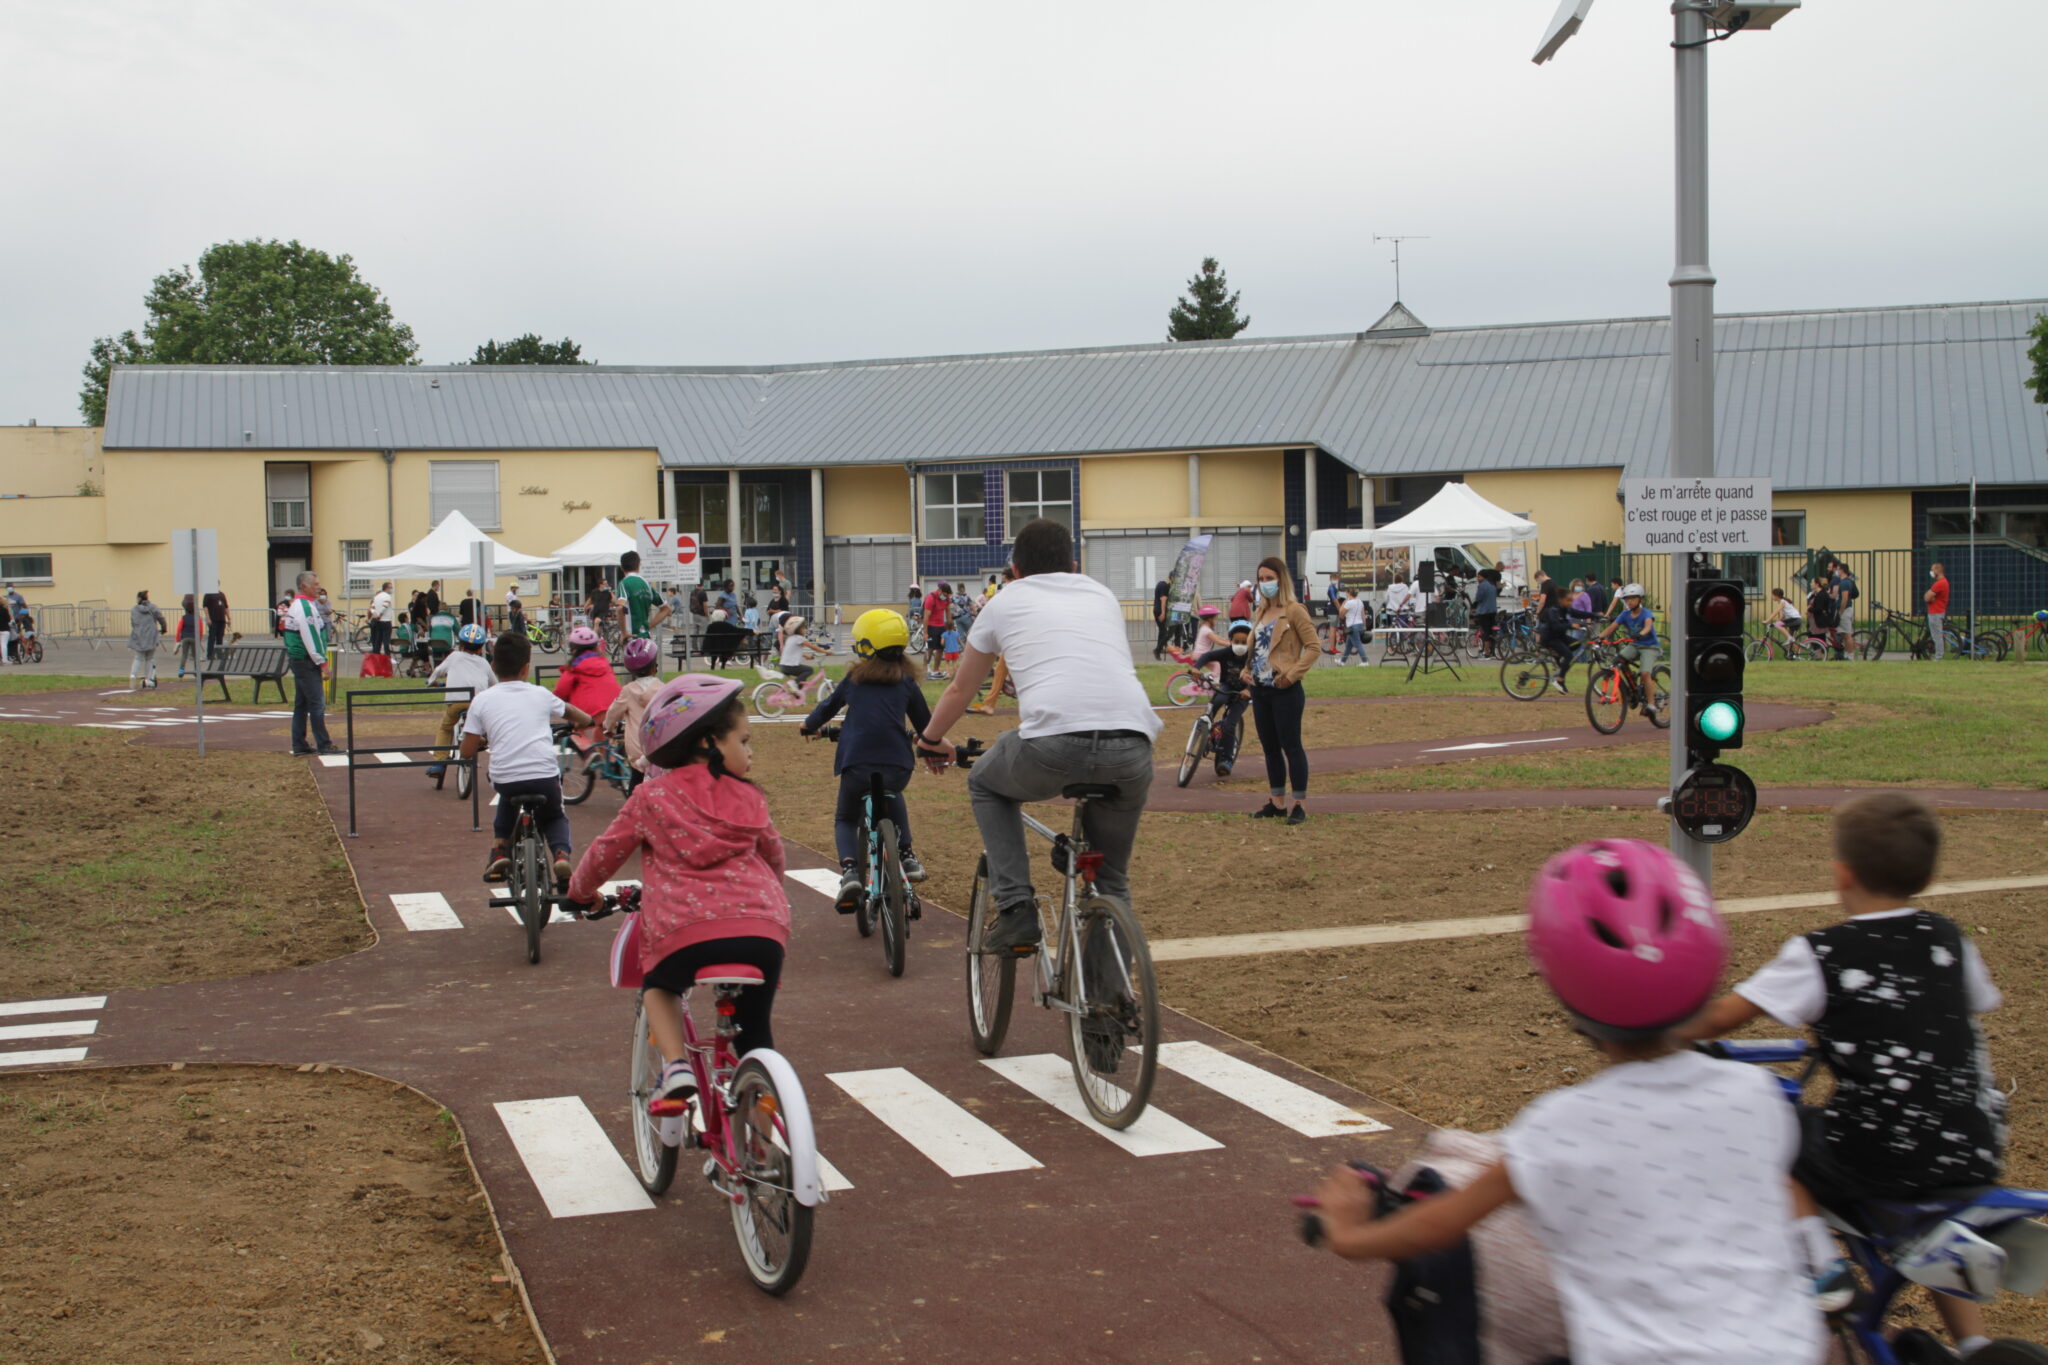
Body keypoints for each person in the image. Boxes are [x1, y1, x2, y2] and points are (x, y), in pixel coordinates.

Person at [1309, 839, 1826, 1365]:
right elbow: (1782, 1191)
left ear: (1563, 989)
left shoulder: (1562, 1126)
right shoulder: (1756, 1096)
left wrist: (1348, 1233)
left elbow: (1439, 1226)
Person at [1682, 793, 2005, 1356]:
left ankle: (1826, 1269)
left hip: (1874, 1151)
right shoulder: (1950, 939)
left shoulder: (1823, 953)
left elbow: (1718, 1020)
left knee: (1772, 1145)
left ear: (1842, 871)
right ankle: (1976, 1346)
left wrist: (1660, 1028)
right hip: (1971, 1146)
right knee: (1935, 1228)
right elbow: (1974, 1003)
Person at [916, 517, 1159, 952]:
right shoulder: (1100, 594)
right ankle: (1108, 1012)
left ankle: (1015, 907)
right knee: (1112, 883)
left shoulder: (1005, 601)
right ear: (1073, 563)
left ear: (1017, 569)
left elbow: (960, 688)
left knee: (986, 784)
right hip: (1133, 745)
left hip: (1053, 742)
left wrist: (931, 738)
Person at [564, 675, 786, 1116]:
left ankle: (677, 1068)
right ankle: (765, 1146)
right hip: (763, 932)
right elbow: (774, 859)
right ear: (709, 742)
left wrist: (580, 892)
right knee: (754, 1034)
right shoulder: (749, 797)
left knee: (659, 987)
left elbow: (605, 853)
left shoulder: (651, 796)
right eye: (744, 741)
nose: (750, 751)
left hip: (682, 933)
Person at [799, 608, 932, 906]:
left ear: (867, 646)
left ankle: (850, 872)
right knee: (894, 794)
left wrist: (808, 725)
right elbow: (926, 724)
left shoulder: (854, 679)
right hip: (897, 764)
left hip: (857, 763)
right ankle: (907, 856)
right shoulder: (907, 682)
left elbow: (827, 708)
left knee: (846, 817)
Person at [461, 631, 591, 889]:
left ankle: (499, 850)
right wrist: (586, 721)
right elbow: (579, 716)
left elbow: (466, 751)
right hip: (543, 775)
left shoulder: (482, 700)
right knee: (554, 816)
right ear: (526, 668)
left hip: (506, 778)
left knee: (508, 797)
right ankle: (561, 856)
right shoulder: (541, 694)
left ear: (494, 666)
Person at [1244, 557, 1318, 824]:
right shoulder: (1260, 612)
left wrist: (1291, 675)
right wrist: (1246, 669)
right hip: (1260, 690)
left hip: (1285, 689)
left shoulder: (1294, 610)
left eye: (1269, 578)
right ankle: (1277, 802)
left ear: (1281, 579)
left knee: (1291, 746)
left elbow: (1313, 647)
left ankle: (1299, 803)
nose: (1265, 584)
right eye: (1261, 579)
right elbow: (1258, 648)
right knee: (1270, 748)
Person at [426, 623, 495, 778]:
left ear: (460, 644)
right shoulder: (484, 663)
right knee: (483, 723)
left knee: (446, 728)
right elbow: (494, 684)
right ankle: (481, 739)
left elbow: (438, 671)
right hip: (477, 702)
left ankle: (439, 762)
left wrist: (431, 681)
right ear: (480, 648)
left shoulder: (454, 656)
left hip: (456, 701)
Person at [279, 572, 336, 753]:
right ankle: (324, 744)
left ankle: (300, 743)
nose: (318, 587)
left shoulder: (301, 605)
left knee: (302, 704)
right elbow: (311, 637)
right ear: (304, 586)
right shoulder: (304, 607)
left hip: (300, 659)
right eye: (315, 584)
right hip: (305, 660)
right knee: (316, 704)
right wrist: (323, 663)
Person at [1193, 619, 1253, 774]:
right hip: (1227, 686)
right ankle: (1206, 721)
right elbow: (1206, 657)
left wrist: (1249, 690)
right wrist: (1196, 668)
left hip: (1243, 694)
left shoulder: (1253, 657)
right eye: (1236, 641)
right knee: (1219, 699)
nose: (1240, 644)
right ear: (1231, 640)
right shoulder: (1226, 653)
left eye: (1244, 642)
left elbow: (1259, 676)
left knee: (1229, 725)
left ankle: (1226, 759)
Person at [610, 637, 666, 790]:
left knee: (635, 788)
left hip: (637, 751)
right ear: (655, 668)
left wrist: (608, 727)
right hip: (659, 749)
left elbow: (613, 713)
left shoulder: (627, 691)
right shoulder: (664, 690)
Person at [555, 625, 622, 746]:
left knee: (576, 732)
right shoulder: (604, 663)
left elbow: (561, 691)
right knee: (603, 736)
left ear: (573, 649)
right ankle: (608, 759)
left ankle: (591, 755)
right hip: (615, 706)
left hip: (589, 712)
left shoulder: (574, 667)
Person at [1535, 580, 1600, 696]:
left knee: (1578, 644)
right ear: (1561, 600)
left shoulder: (1565, 609)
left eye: (1571, 600)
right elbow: (1556, 626)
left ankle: (1557, 655)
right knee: (1569, 655)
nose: (1571, 603)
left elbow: (1579, 613)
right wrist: (1571, 625)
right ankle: (1559, 680)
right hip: (1549, 638)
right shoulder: (1553, 611)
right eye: (1568, 600)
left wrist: (1595, 615)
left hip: (1559, 636)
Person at [617, 550, 668, 641]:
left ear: (621, 568)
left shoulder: (624, 583)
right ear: (638, 565)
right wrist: (650, 625)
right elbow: (666, 609)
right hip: (646, 638)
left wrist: (624, 633)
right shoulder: (646, 584)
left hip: (631, 638)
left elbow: (620, 608)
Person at [1605, 583, 1658, 668]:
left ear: (1640, 599)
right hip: (1635, 645)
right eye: (1627, 599)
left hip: (1650, 646)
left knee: (1645, 673)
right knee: (1618, 660)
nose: (1629, 601)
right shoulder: (1625, 614)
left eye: (1633, 598)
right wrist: (1598, 637)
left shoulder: (1646, 613)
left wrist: (1640, 634)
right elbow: (1611, 627)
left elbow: (1648, 627)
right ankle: (1630, 678)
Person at [122, 588, 164, 690]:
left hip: (139, 636)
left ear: (139, 598)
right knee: (149, 658)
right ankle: (148, 679)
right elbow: (161, 618)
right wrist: (164, 628)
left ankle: (133, 675)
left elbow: (133, 623)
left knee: (138, 658)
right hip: (151, 636)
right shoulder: (153, 608)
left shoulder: (134, 610)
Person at [776, 616, 826, 687]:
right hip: (791, 666)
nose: (805, 630)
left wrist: (806, 656)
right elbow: (813, 647)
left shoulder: (790, 638)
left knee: (802, 678)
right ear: (798, 629)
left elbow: (792, 651)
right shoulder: (799, 638)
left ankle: (797, 696)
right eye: (803, 628)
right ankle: (794, 685)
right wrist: (826, 651)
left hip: (783, 665)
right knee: (809, 670)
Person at [1806, 574, 1842, 657]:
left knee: (1818, 639)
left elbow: (1819, 608)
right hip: (1814, 621)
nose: (1810, 584)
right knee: (1816, 639)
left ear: (1817, 584)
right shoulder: (1816, 594)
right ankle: (1820, 655)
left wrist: (1810, 609)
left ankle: (1822, 656)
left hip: (1818, 622)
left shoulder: (1821, 595)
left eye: (1812, 582)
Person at [1471, 567, 1501, 658]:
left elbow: (1478, 598)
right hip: (1493, 611)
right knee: (1491, 631)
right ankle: (1492, 651)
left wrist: (1473, 606)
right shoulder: (1492, 585)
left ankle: (1486, 652)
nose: (1477, 579)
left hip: (1484, 611)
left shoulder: (1482, 585)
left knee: (1485, 632)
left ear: (1483, 577)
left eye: (1479, 577)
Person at [1925, 561, 1950, 659]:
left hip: (1936, 612)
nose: (1931, 572)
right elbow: (1928, 596)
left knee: (1937, 636)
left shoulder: (1940, 583)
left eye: (1932, 569)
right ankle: (1938, 655)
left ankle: (1939, 656)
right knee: (1936, 634)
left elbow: (1927, 597)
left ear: (1938, 570)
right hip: (1936, 612)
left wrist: (1929, 596)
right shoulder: (1941, 583)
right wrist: (1930, 596)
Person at [922, 581, 952, 663]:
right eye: (945, 595)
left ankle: (936, 670)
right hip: (931, 626)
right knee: (930, 649)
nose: (946, 597)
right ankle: (925, 669)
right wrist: (925, 633)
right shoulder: (931, 598)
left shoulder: (947, 599)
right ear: (940, 591)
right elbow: (926, 616)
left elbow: (948, 612)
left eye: (947, 596)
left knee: (940, 649)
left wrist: (950, 627)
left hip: (941, 626)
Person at [1338, 590, 1370, 665]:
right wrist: (1364, 625)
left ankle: (1365, 661)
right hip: (1359, 624)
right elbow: (1363, 615)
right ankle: (1342, 661)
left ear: (1349, 593)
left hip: (1352, 626)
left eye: (1346, 593)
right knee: (1349, 645)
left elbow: (1341, 614)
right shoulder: (1360, 602)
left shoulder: (1349, 603)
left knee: (1358, 644)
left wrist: (1343, 603)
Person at [1833, 559, 1859, 646]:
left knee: (1847, 635)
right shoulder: (1845, 582)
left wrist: (1840, 612)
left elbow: (1844, 599)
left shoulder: (1844, 583)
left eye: (1838, 569)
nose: (1836, 571)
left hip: (1845, 610)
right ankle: (1847, 654)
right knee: (1844, 634)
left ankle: (1850, 656)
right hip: (1845, 610)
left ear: (1842, 570)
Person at [203, 587, 230, 658]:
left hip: (221, 620)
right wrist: (208, 618)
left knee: (220, 638)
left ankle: (219, 654)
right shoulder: (208, 594)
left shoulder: (222, 594)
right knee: (212, 637)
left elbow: (226, 607)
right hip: (213, 620)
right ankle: (210, 654)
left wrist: (229, 618)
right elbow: (205, 607)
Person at [175, 593, 198, 677]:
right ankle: (196, 670)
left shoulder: (183, 618)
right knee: (195, 655)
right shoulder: (197, 618)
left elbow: (179, 629)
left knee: (184, 654)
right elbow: (200, 628)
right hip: (194, 637)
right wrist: (199, 638)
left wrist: (178, 639)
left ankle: (181, 670)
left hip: (185, 638)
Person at [368, 582, 394, 656]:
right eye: (390, 587)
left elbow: (372, 607)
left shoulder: (377, 596)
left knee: (378, 641)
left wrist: (374, 613)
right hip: (386, 621)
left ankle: (376, 657)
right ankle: (387, 657)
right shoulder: (387, 596)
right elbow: (385, 606)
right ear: (387, 588)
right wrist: (378, 614)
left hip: (378, 621)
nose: (391, 589)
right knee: (386, 641)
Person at [1151, 576, 1174, 659]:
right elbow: (1163, 600)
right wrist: (1163, 613)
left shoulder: (1161, 584)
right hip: (1160, 611)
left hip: (1158, 610)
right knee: (1166, 632)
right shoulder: (1164, 586)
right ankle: (1157, 649)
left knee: (1162, 631)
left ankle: (1159, 648)